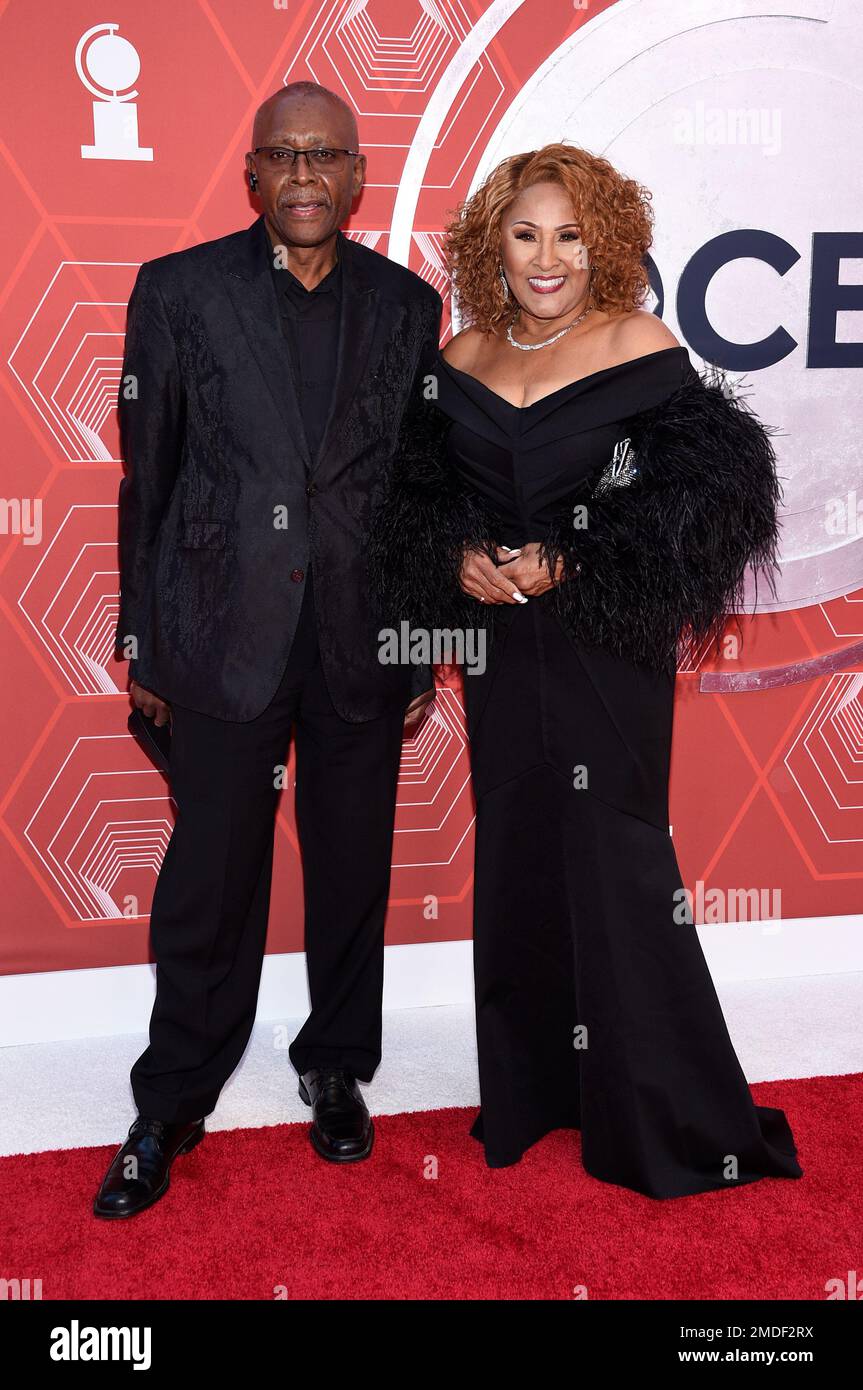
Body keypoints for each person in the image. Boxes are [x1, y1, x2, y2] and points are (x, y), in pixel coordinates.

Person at [368, 142, 804, 1199]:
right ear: (493, 246)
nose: (546, 255)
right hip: (501, 648)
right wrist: (455, 557)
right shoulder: (460, 356)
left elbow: (710, 493)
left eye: (567, 234)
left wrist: (575, 553)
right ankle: (532, 1092)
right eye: (524, 234)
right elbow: (417, 498)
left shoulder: (635, 341)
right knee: (517, 851)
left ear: (599, 243)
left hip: (604, 646)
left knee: (616, 860)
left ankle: (661, 1112)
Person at [95, 82, 440, 1218]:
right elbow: (149, 474)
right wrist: (139, 632)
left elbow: (415, 490)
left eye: (325, 155)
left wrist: (419, 641)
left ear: (355, 175)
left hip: (358, 635)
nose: (303, 175)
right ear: (253, 174)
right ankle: (171, 1099)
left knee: (351, 869)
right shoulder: (179, 291)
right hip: (216, 636)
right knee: (210, 877)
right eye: (282, 155)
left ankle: (334, 1063)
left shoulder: (406, 305)